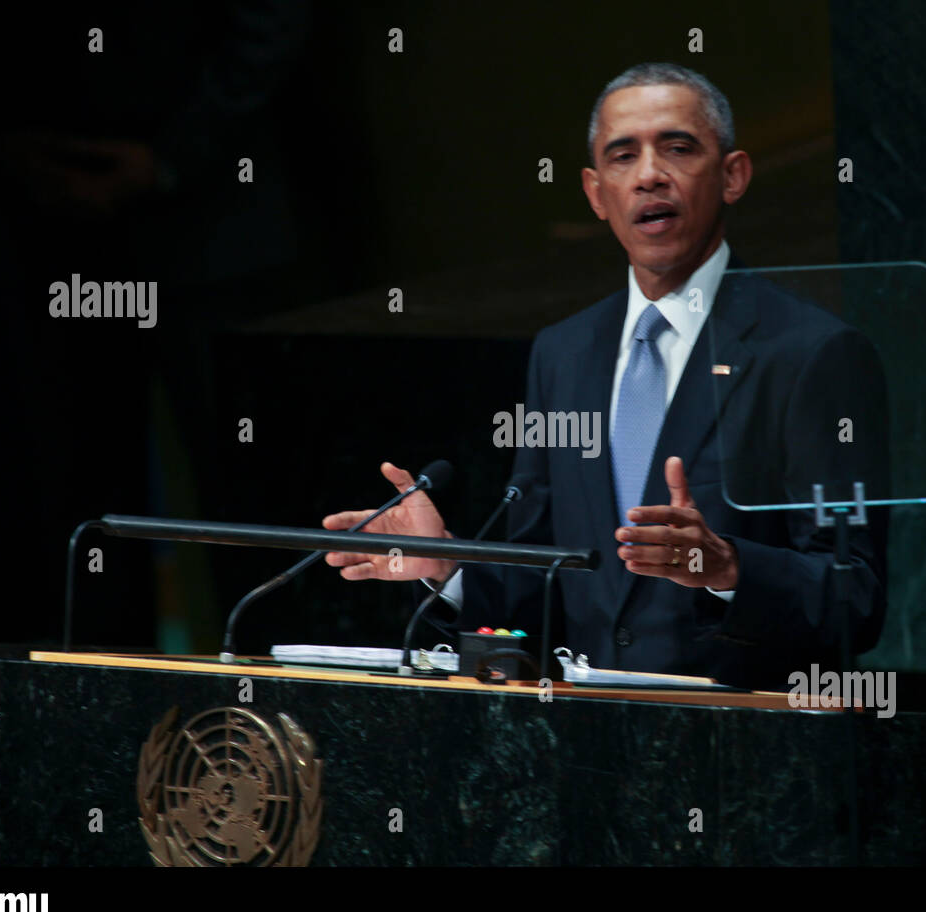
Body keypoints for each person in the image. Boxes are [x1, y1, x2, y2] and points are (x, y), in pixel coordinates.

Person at [320, 63, 889, 690]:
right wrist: (449, 562)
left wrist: (728, 568)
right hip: (591, 750)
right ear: (595, 193)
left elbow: (853, 599)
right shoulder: (561, 355)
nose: (650, 174)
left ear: (733, 175)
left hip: (746, 752)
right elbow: (543, 585)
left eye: (678, 147)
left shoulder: (812, 353)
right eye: (623, 156)